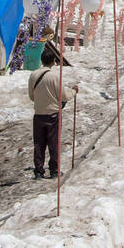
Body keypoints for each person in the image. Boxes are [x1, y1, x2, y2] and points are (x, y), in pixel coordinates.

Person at [28, 44, 77, 179]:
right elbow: (64, 96)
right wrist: (74, 91)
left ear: (42, 60)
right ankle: (54, 170)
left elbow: (31, 96)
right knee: (53, 143)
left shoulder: (33, 75)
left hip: (38, 114)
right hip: (53, 115)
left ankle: (38, 171)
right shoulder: (56, 77)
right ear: (53, 62)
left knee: (39, 144)